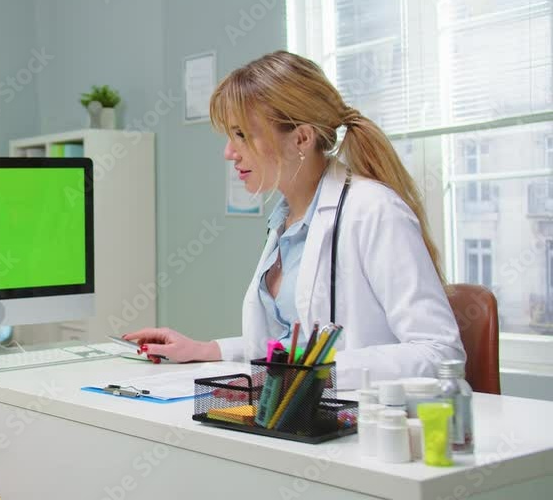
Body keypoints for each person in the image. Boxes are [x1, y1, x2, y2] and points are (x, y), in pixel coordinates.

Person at [125, 51, 465, 389]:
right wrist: (205, 349)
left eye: (242, 134)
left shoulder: (373, 210)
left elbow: (440, 353)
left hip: (372, 426)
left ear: (301, 138)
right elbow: (291, 349)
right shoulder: (286, 222)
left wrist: (313, 375)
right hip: (296, 421)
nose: (228, 151)